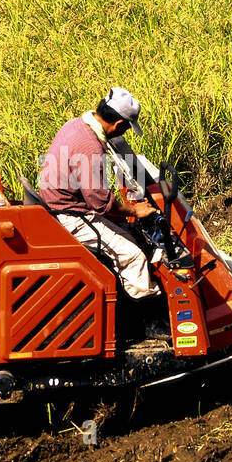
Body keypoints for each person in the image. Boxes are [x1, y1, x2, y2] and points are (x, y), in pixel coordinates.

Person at [38, 88, 166, 332]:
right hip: (70, 215)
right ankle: (149, 324)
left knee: (132, 237)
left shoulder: (76, 125)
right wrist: (135, 210)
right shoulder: (90, 147)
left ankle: (125, 304)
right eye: (127, 128)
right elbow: (100, 203)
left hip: (65, 204)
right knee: (133, 256)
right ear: (118, 124)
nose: (125, 131)